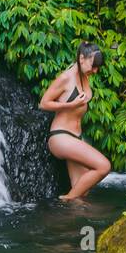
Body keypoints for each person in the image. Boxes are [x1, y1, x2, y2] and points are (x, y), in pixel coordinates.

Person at [40, 42, 112, 202]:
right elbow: (43, 103)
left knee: (82, 191)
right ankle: (65, 200)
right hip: (61, 136)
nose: (95, 71)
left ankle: (69, 219)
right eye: (93, 66)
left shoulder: (84, 76)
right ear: (81, 58)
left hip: (75, 138)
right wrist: (70, 105)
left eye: (97, 67)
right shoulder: (66, 78)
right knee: (104, 166)